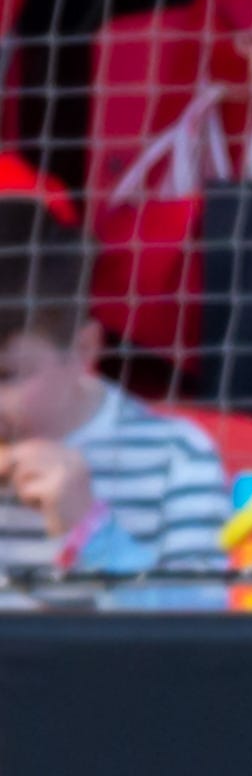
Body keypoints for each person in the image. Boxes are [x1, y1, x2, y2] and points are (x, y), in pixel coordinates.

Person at [0, 199, 229, 592]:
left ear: (83, 350)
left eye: (6, 375)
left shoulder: (177, 458)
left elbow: (199, 637)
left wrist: (90, 530)